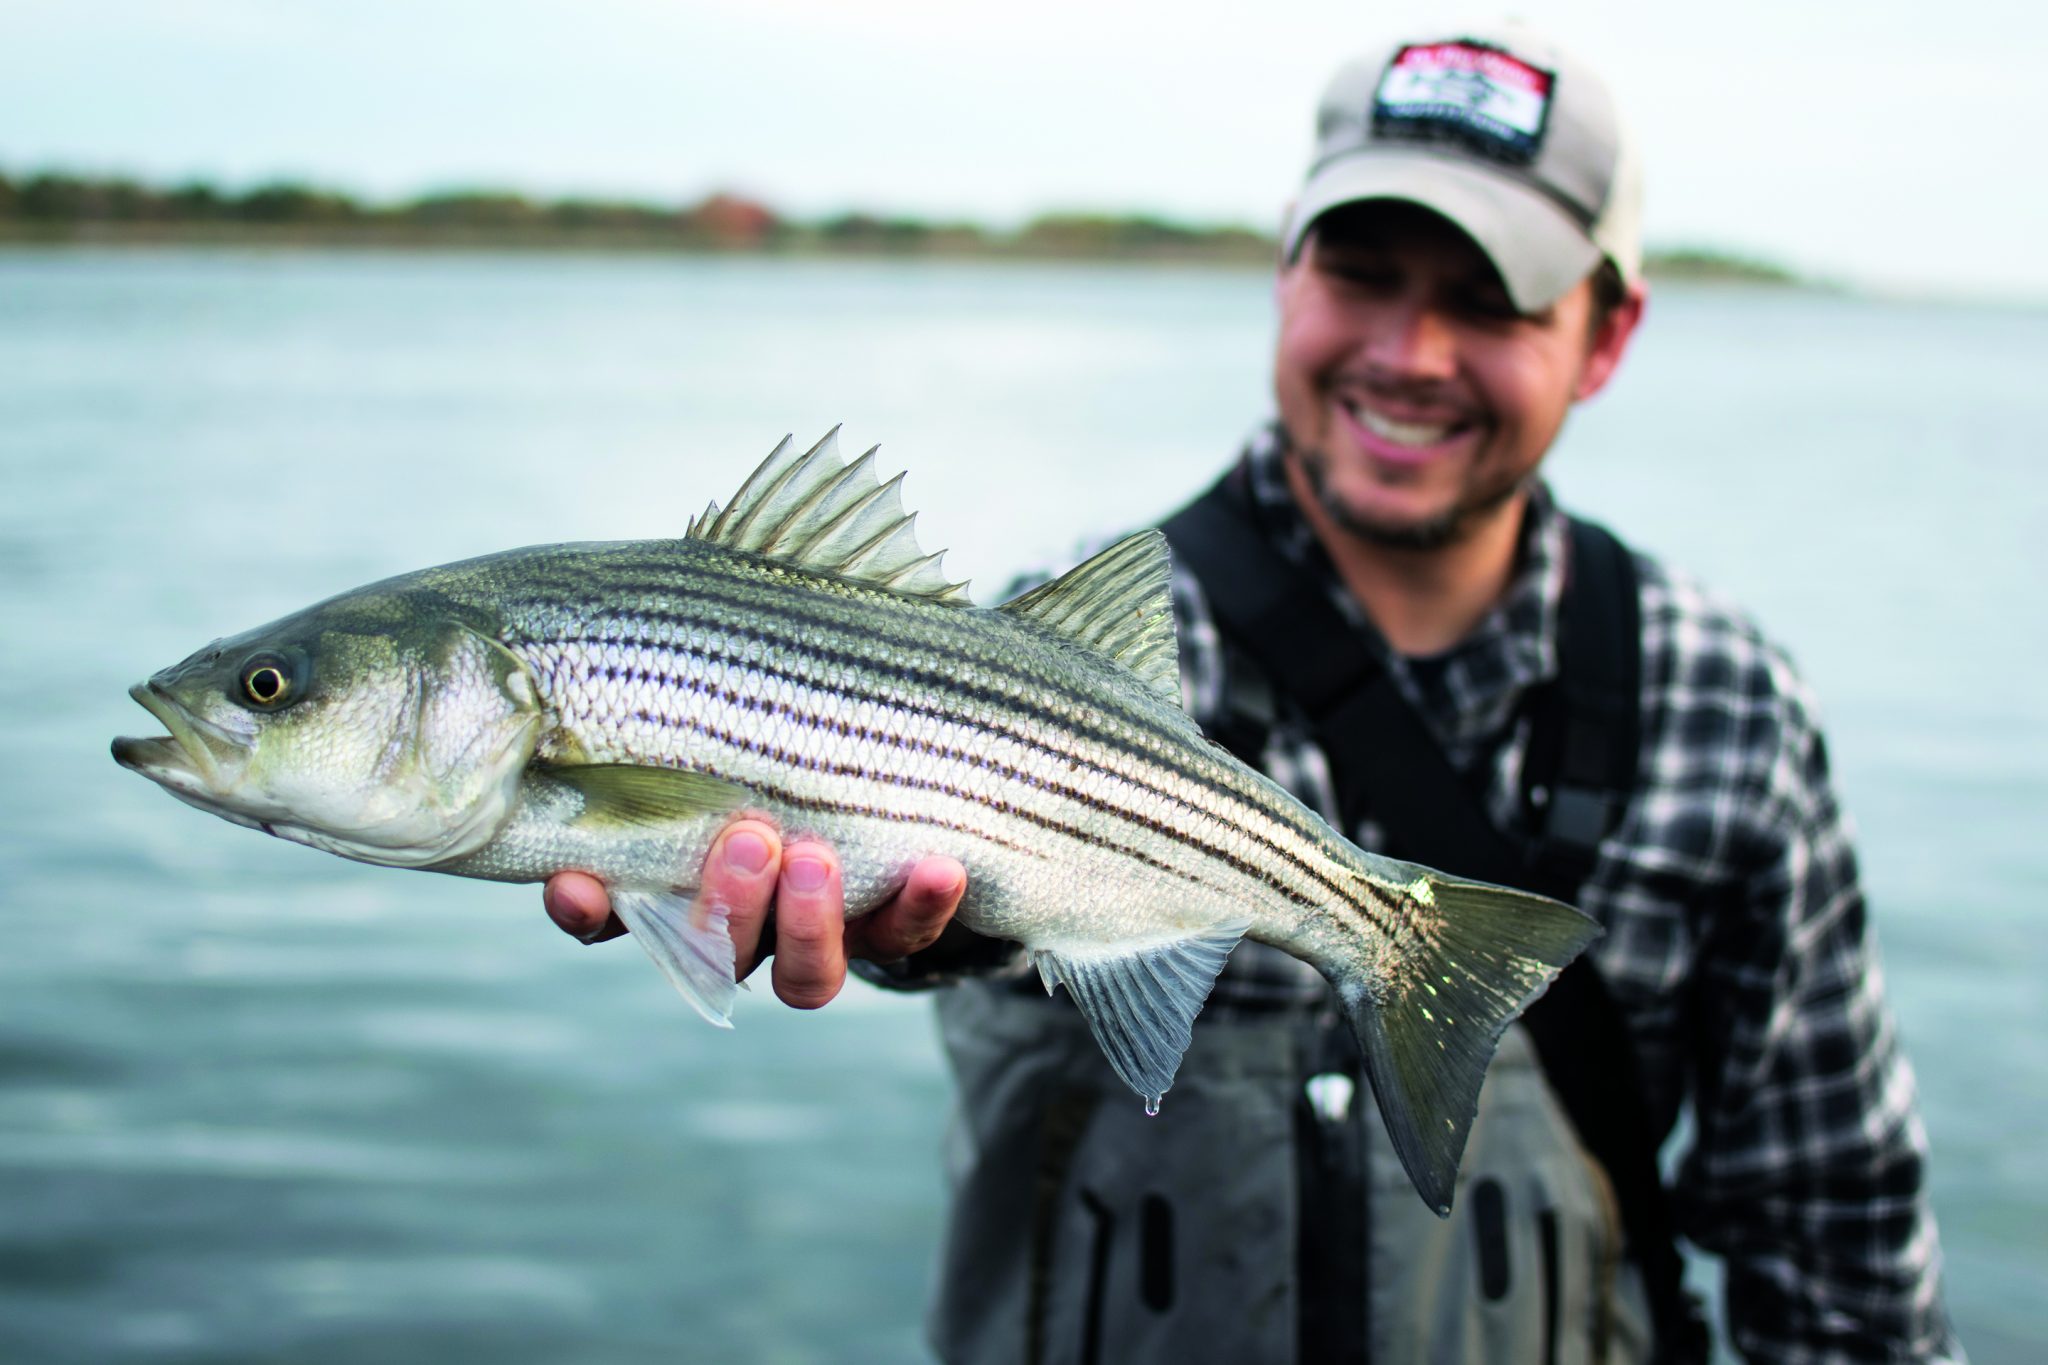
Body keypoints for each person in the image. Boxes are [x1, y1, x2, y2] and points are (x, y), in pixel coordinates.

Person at [542, 23, 1963, 1364]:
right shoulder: (1060, 630)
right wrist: (915, 925)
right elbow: (956, 926)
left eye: (1490, 301)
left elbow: (1831, 1221)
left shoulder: (1723, 706)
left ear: (1606, 336)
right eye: (1361, 275)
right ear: (1286, 273)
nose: (1408, 354)